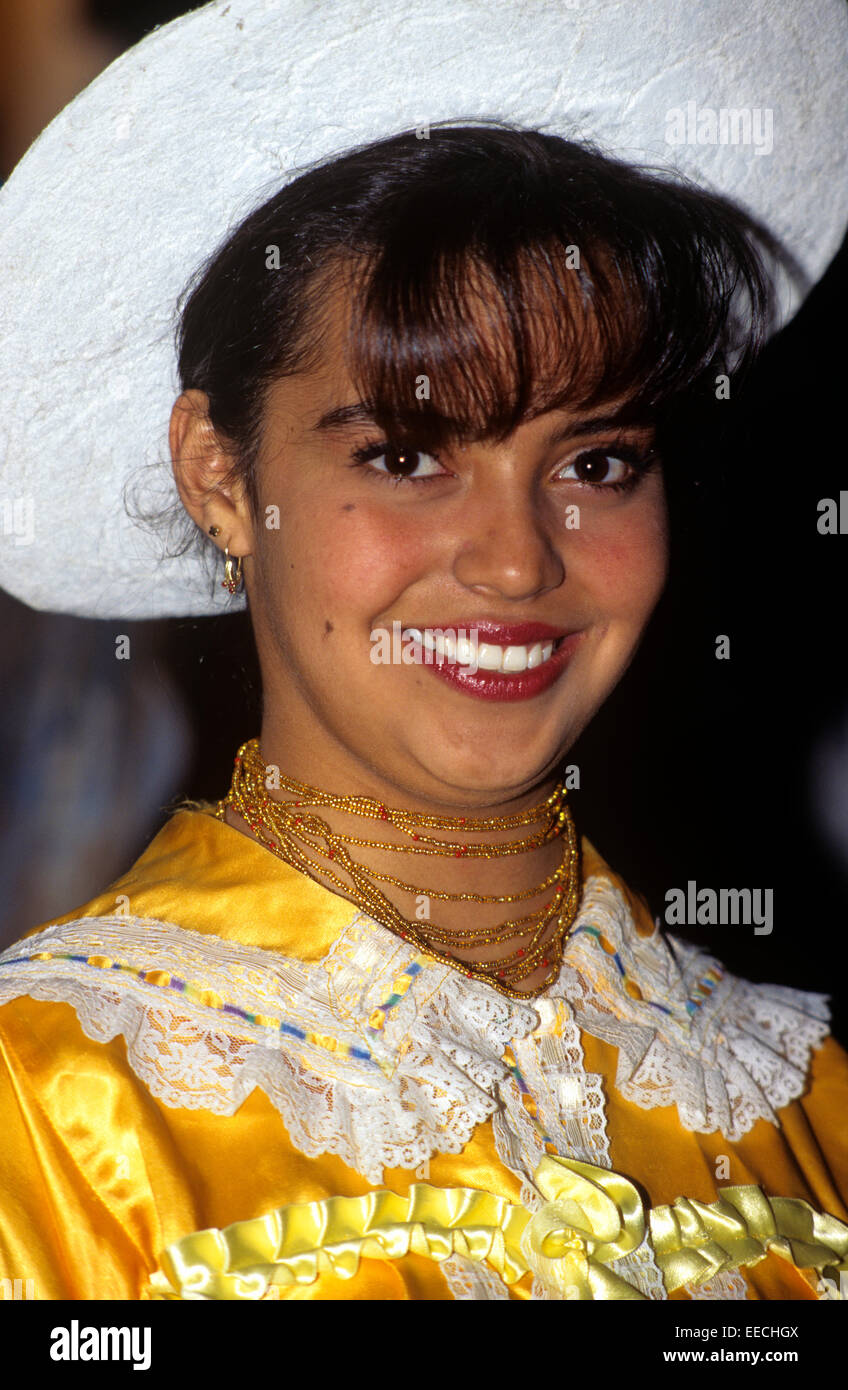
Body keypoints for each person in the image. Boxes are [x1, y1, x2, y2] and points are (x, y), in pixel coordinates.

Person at [1, 0, 847, 1303]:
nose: (518, 561)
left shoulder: (805, 1093)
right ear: (219, 476)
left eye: (598, 459)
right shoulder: (48, 1108)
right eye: (404, 455)